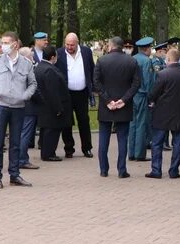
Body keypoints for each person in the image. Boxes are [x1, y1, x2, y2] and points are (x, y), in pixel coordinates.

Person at [0, 31, 37, 188]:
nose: (3, 46)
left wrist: (25, 96)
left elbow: (33, 83)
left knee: (15, 142)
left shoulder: (26, 63)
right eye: (3, 43)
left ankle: (14, 175)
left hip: (18, 107)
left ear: (15, 44)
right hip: (1, 106)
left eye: (7, 43)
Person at [93, 36, 140, 178]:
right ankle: (121, 169)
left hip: (106, 106)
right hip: (123, 106)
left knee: (103, 138)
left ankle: (103, 169)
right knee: (122, 139)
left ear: (110, 45)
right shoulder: (132, 61)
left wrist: (107, 100)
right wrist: (124, 100)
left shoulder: (102, 61)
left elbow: (96, 82)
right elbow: (136, 84)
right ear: (122, 47)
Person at [148, 47, 180, 178]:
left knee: (157, 143)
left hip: (162, 113)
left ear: (169, 59)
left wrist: (151, 101)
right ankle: (174, 171)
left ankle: (156, 170)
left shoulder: (163, 74)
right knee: (177, 143)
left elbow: (154, 93)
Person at [56, 32, 95, 158]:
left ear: (77, 43)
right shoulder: (60, 53)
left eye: (72, 45)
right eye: (67, 44)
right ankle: (69, 148)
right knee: (66, 122)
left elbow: (91, 69)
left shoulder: (86, 52)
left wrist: (92, 87)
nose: (69, 47)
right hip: (66, 93)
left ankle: (87, 148)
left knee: (84, 120)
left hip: (82, 92)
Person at [34, 47, 72, 162]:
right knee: (52, 131)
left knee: (46, 130)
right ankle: (49, 153)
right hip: (51, 106)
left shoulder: (40, 67)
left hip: (44, 105)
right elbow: (53, 91)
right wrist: (58, 108)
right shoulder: (49, 70)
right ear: (52, 57)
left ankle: (46, 152)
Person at [127, 36, 156, 161]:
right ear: (147, 48)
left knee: (132, 124)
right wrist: (152, 98)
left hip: (131, 95)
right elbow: (149, 81)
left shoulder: (131, 59)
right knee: (141, 124)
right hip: (142, 95)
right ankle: (140, 153)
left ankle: (131, 152)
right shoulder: (147, 61)